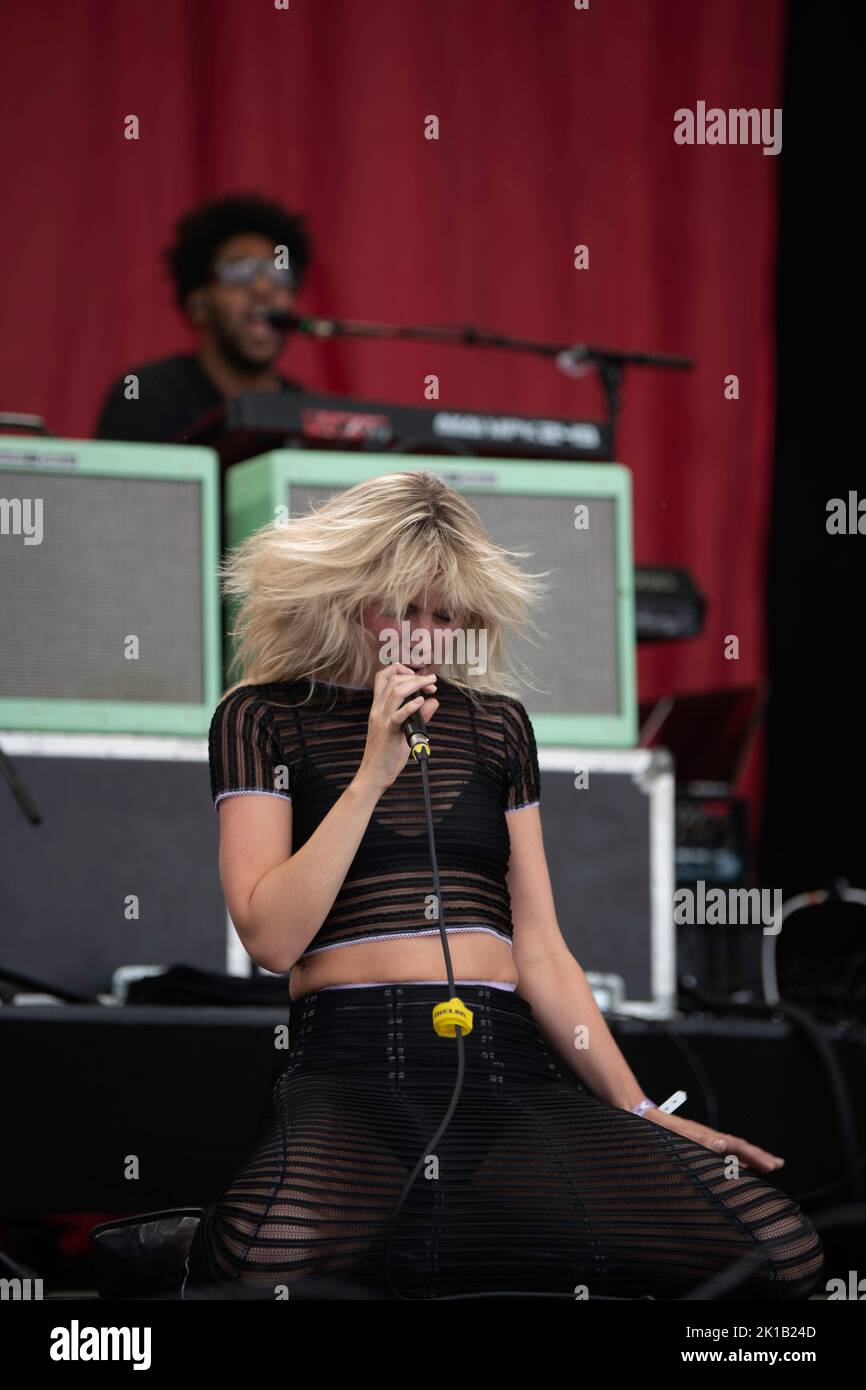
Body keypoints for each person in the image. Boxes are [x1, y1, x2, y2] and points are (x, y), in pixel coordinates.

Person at [181, 470, 825, 1301]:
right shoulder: (263, 718)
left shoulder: (496, 728)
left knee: (781, 1251)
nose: (423, 635)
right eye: (402, 608)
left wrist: (637, 1109)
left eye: (444, 616)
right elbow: (271, 939)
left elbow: (543, 950)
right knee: (256, 1266)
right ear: (349, 596)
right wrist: (371, 774)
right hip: (350, 1065)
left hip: (502, 1065)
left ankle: (431, 1219)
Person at [93, 192, 310, 444]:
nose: (263, 289)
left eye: (279, 275)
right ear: (199, 305)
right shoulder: (146, 395)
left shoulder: (306, 412)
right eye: (240, 272)